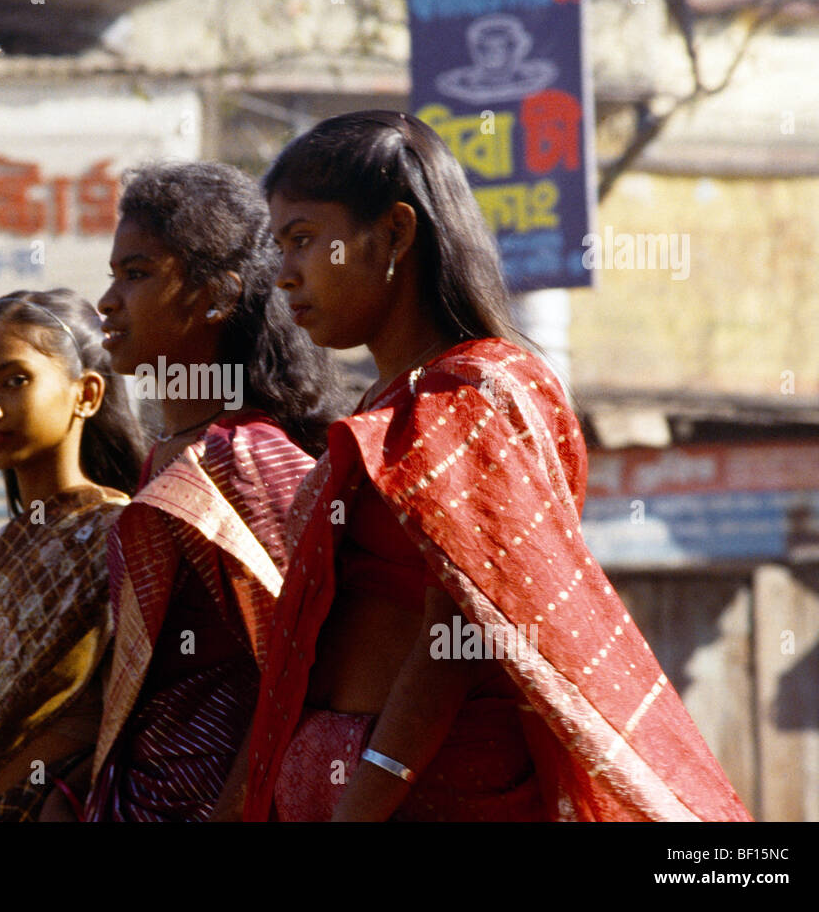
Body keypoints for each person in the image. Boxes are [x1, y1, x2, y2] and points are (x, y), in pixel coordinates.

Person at [238, 110, 752, 821]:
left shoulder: (478, 393)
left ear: (393, 232)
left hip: (424, 791)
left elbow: (460, 630)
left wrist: (368, 793)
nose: (285, 274)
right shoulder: (389, 403)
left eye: (302, 240)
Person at [84, 161, 349, 821]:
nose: (108, 300)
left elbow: (303, 671)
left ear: (217, 295)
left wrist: (232, 810)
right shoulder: (164, 460)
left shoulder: (248, 458)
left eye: (137, 273)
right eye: (115, 273)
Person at [0, 289, 144, 822]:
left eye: (15, 380)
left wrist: (64, 794)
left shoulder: (124, 535)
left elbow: (147, 715)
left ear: (87, 394)